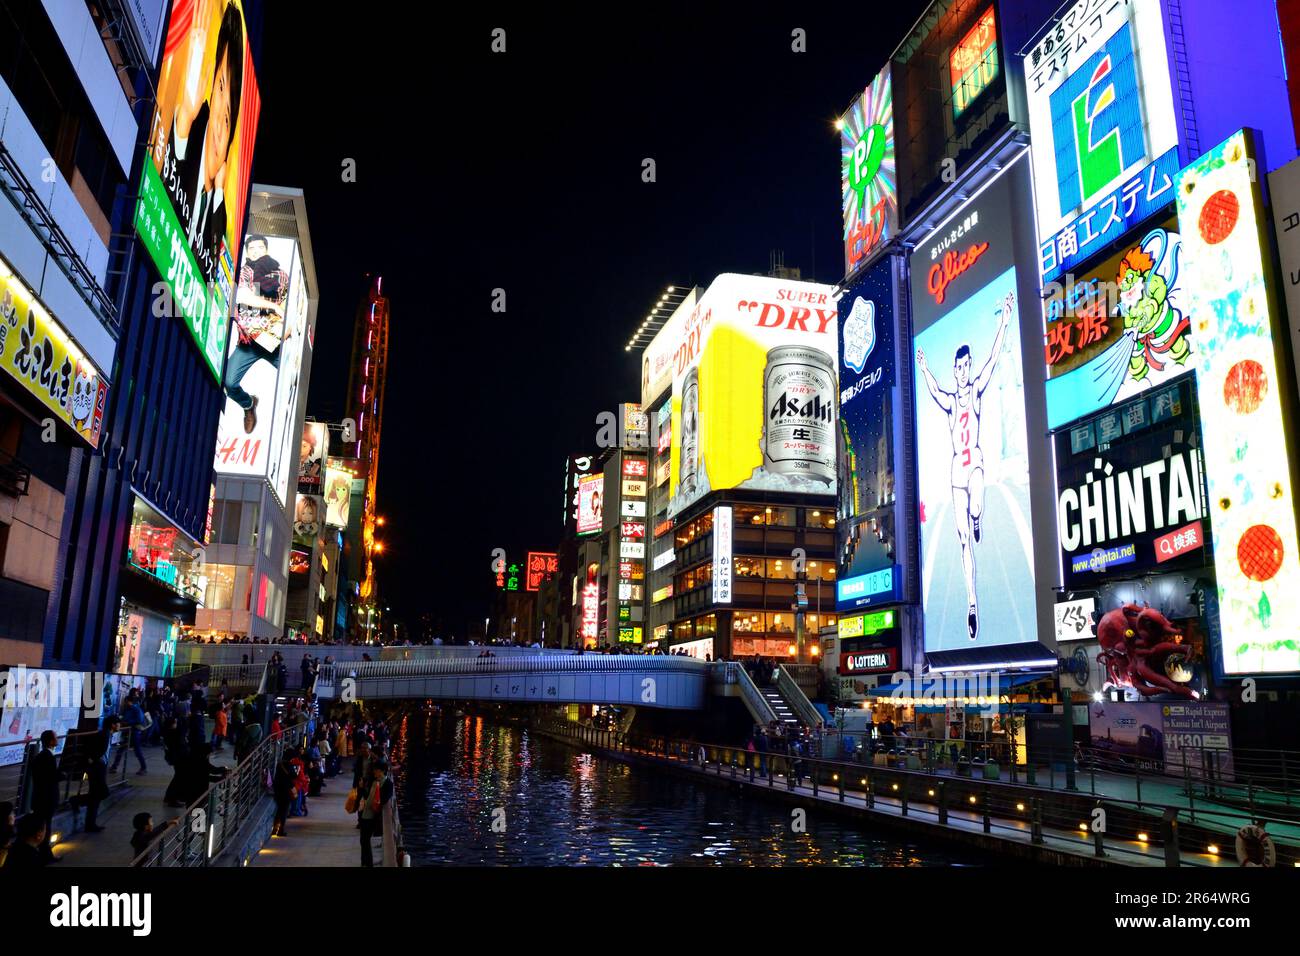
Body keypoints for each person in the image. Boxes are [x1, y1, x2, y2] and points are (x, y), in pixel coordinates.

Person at [916, 291, 1013, 640]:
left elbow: (993, 356)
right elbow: (934, 390)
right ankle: (972, 605)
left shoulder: (975, 389)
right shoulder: (950, 398)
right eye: (957, 367)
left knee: (976, 502)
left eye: (964, 365)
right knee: (962, 543)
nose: (961, 371)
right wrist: (925, 368)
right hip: (957, 470)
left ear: (968, 366)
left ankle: (977, 518)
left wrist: (1004, 321)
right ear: (953, 369)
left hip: (975, 464)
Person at [159, 0, 245, 286]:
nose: (220, 119)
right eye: (220, 87)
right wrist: (183, 121)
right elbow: (163, 184)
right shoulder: (186, 130)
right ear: (209, 85)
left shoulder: (218, 211)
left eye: (230, 118)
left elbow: (212, 270)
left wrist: (220, 190)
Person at [28, 731, 62, 860]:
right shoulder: (47, 757)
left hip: (40, 797)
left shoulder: (42, 756)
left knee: (44, 826)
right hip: (46, 798)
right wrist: (61, 775)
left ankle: (44, 854)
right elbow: (51, 777)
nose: (57, 739)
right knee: (45, 827)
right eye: (55, 737)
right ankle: (45, 855)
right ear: (51, 741)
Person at [83, 716, 119, 832]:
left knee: (96, 795)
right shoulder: (103, 735)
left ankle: (90, 823)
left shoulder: (107, 735)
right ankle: (78, 802)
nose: (119, 726)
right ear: (113, 725)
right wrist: (93, 759)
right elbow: (94, 749)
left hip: (100, 767)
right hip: (97, 768)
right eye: (118, 723)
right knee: (99, 794)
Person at [358, 759, 393, 867]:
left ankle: (367, 863)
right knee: (363, 841)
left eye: (376, 770)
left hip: (373, 816)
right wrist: (362, 788)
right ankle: (365, 862)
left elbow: (384, 799)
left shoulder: (387, 783)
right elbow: (368, 797)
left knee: (365, 840)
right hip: (365, 814)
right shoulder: (374, 781)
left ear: (382, 771)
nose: (374, 772)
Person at [0, 801, 15, 867]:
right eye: (11, 812)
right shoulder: (4, 829)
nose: (14, 815)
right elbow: (5, 843)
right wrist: (10, 825)